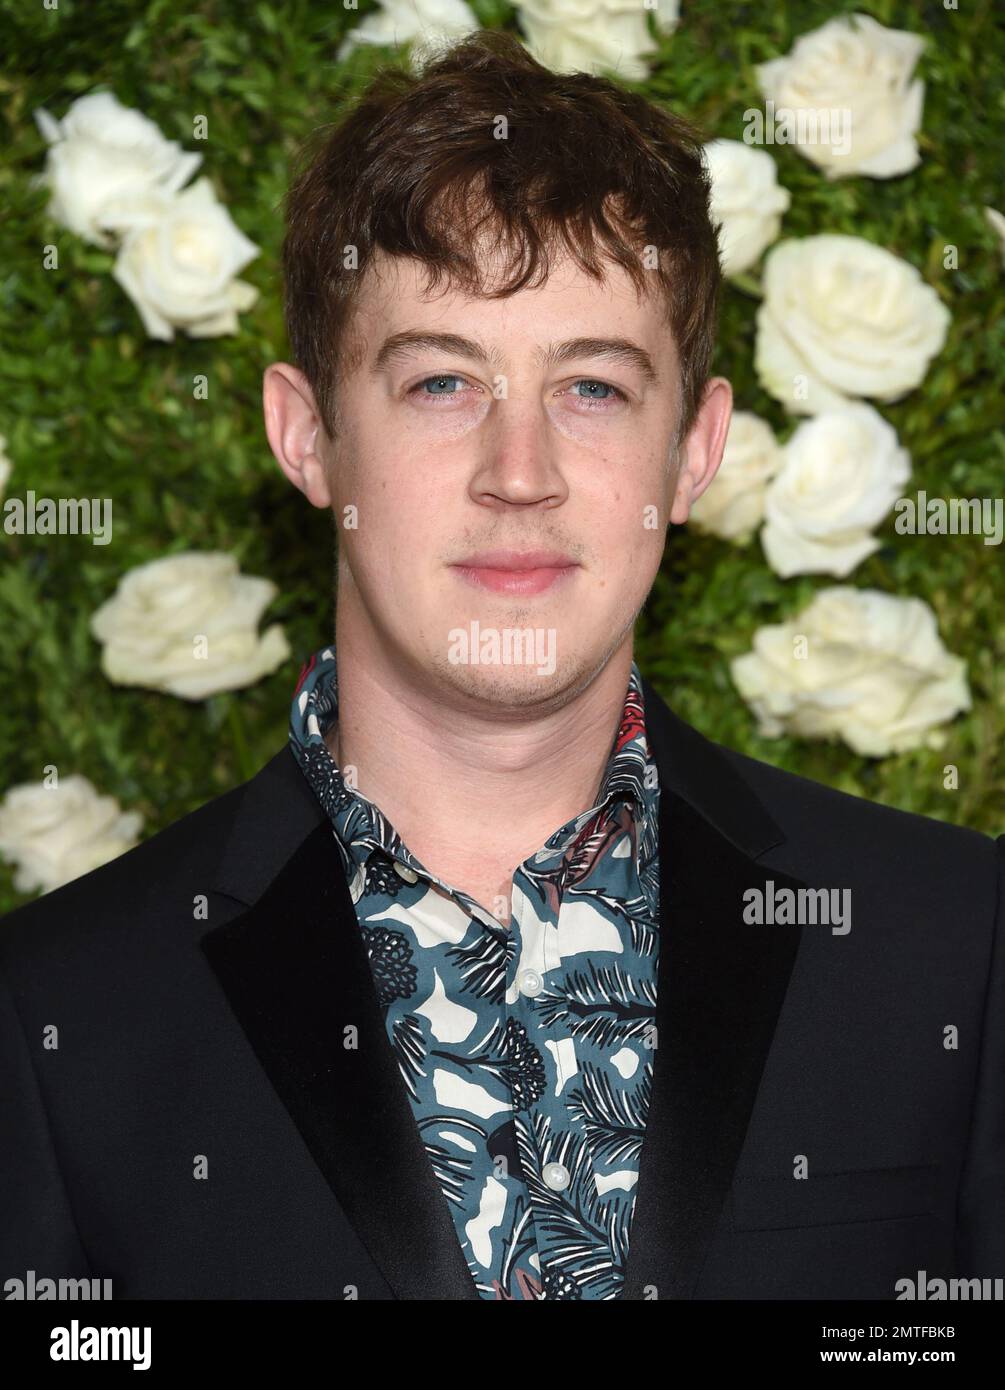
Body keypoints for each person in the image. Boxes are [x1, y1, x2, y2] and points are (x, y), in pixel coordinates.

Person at [1, 29, 1002, 1303]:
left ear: (695, 450)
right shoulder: (58, 1010)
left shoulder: (953, 940)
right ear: (306, 437)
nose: (518, 472)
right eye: (440, 383)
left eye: (593, 389)